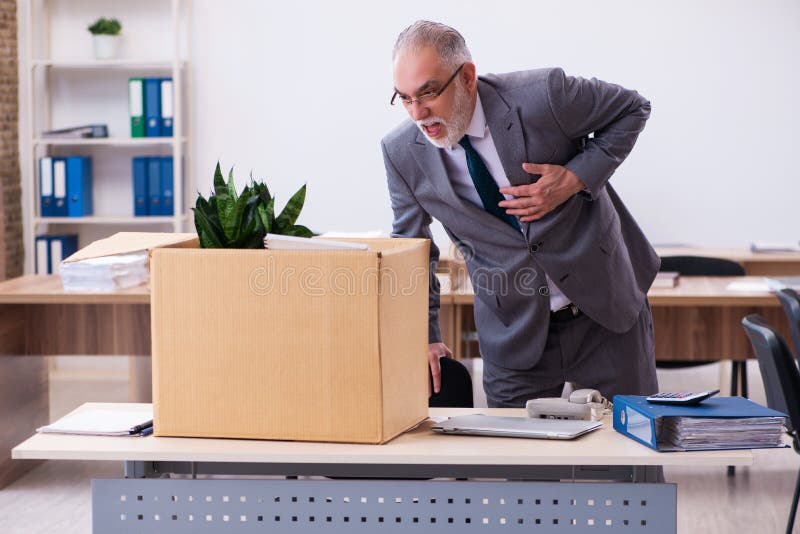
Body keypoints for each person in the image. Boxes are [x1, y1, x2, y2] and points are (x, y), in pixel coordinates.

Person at [382, 20, 660, 408]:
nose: (417, 113)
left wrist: (574, 178)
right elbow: (412, 250)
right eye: (404, 98)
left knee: (634, 460)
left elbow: (632, 108)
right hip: (512, 336)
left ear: (467, 76)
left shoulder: (543, 96)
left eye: (428, 93)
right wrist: (425, 334)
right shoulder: (401, 153)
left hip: (605, 315)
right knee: (516, 465)